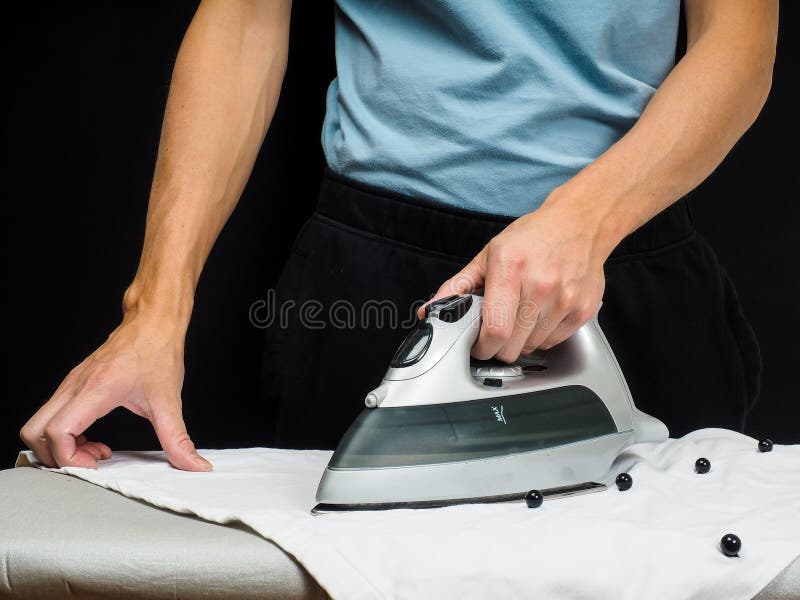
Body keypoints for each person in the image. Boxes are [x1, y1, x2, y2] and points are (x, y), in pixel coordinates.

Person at [21, 0, 777, 470]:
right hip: (372, 277)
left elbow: (739, 42)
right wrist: (154, 312)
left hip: (615, 256)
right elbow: (246, 19)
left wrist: (586, 220)